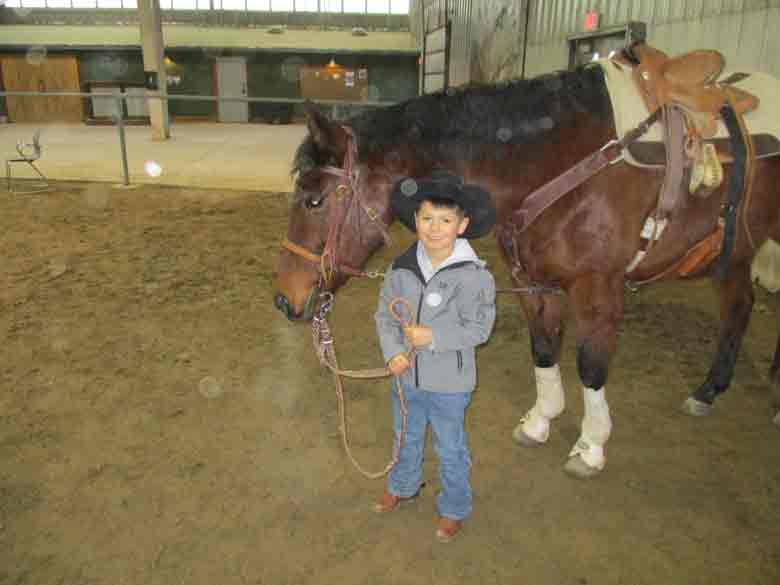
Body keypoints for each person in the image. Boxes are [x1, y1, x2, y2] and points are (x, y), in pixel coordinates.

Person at [373, 169, 497, 543]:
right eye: (427, 218)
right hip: (406, 376)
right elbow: (384, 316)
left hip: (450, 383)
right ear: (415, 221)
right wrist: (394, 352)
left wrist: (433, 337)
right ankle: (403, 484)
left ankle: (455, 506)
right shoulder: (400, 268)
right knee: (404, 435)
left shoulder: (475, 277)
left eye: (445, 220)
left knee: (450, 445)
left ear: (462, 225)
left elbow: (479, 329)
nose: (435, 228)